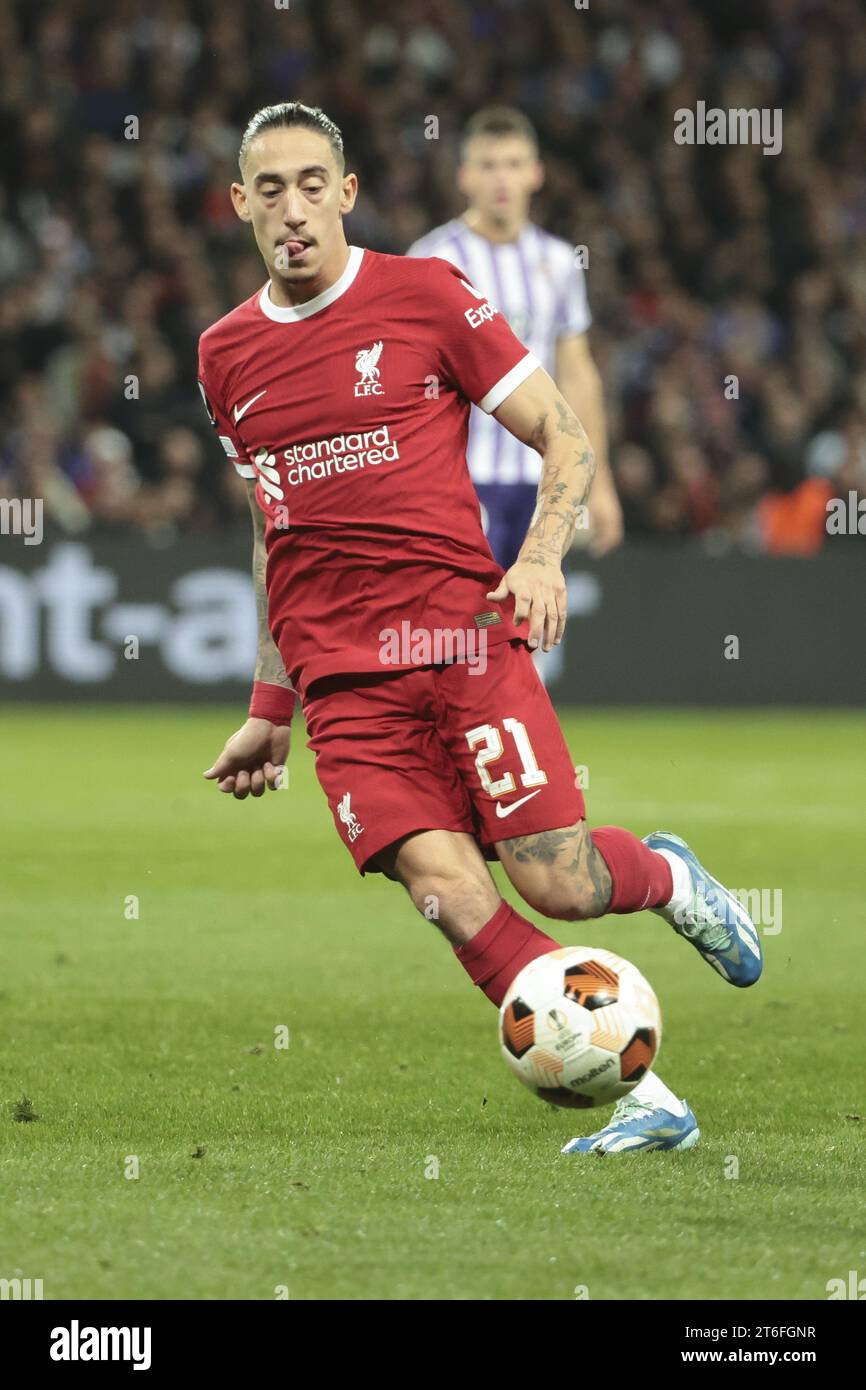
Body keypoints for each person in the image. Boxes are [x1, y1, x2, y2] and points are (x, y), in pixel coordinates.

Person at [197, 103, 762, 1156]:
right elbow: (274, 539)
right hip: (345, 693)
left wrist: (540, 553)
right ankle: (648, 1096)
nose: (293, 209)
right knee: (449, 895)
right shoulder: (224, 355)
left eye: (312, 184)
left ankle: (667, 877)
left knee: (558, 882)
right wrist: (269, 709)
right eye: (268, 189)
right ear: (239, 205)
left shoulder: (424, 295)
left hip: (460, 644)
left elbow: (563, 432)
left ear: (347, 193)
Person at [407, 106, 623, 570]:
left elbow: (578, 375)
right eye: (488, 166)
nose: (501, 179)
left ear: (536, 174)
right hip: (459, 479)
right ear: (464, 176)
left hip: (543, 477)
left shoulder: (561, 262)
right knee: (465, 626)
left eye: (513, 164)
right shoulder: (432, 259)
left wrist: (599, 484)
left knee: (527, 628)